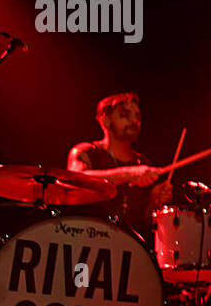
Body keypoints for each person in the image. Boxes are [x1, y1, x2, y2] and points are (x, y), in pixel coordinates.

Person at [66, 92, 171, 237]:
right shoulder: (87, 152)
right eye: (125, 115)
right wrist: (129, 174)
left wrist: (154, 200)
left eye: (137, 116)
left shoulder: (143, 162)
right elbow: (76, 180)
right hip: (86, 237)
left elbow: (146, 220)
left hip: (130, 244)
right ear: (106, 120)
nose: (134, 121)